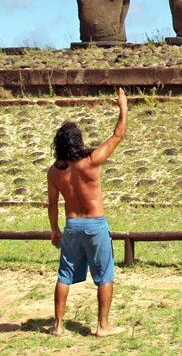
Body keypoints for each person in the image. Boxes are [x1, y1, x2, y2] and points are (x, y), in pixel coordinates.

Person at [47, 87, 128, 337]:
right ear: (78, 141)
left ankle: (58, 326)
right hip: (95, 224)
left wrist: (54, 230)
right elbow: (118, 134)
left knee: (64, 275)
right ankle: (102, 325)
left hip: (72, 225)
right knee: (104, 275)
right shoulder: (91, 161)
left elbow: (52, 204)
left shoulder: (54, 171)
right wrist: (123, 107)